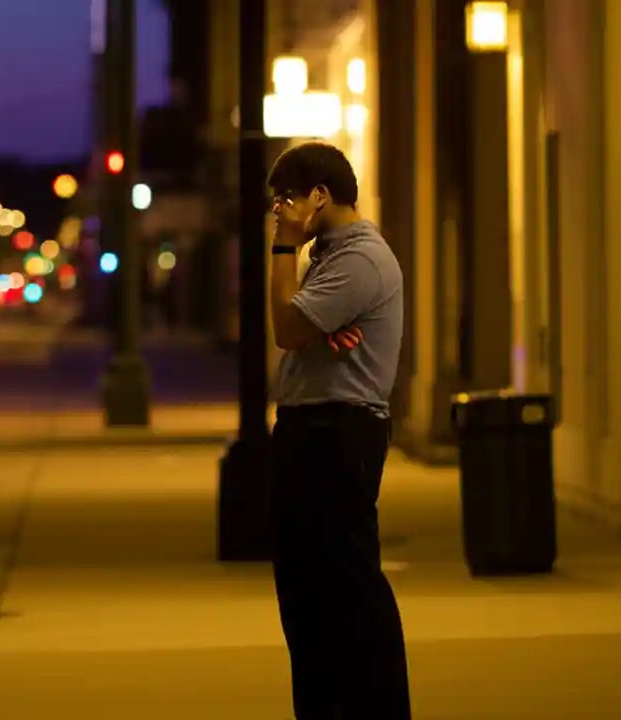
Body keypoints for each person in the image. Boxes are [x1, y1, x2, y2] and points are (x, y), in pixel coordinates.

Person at [265, 142, 411, 719]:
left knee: (348, 585)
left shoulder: (360, 260)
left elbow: (286, 326)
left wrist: (283, 248)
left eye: (286, 199)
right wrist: (313, 324)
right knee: (305, 591)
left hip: (337, 432)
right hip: (310, 429)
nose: (278, 212)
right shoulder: (328, 258)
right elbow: (299, 327)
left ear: (319, 196)